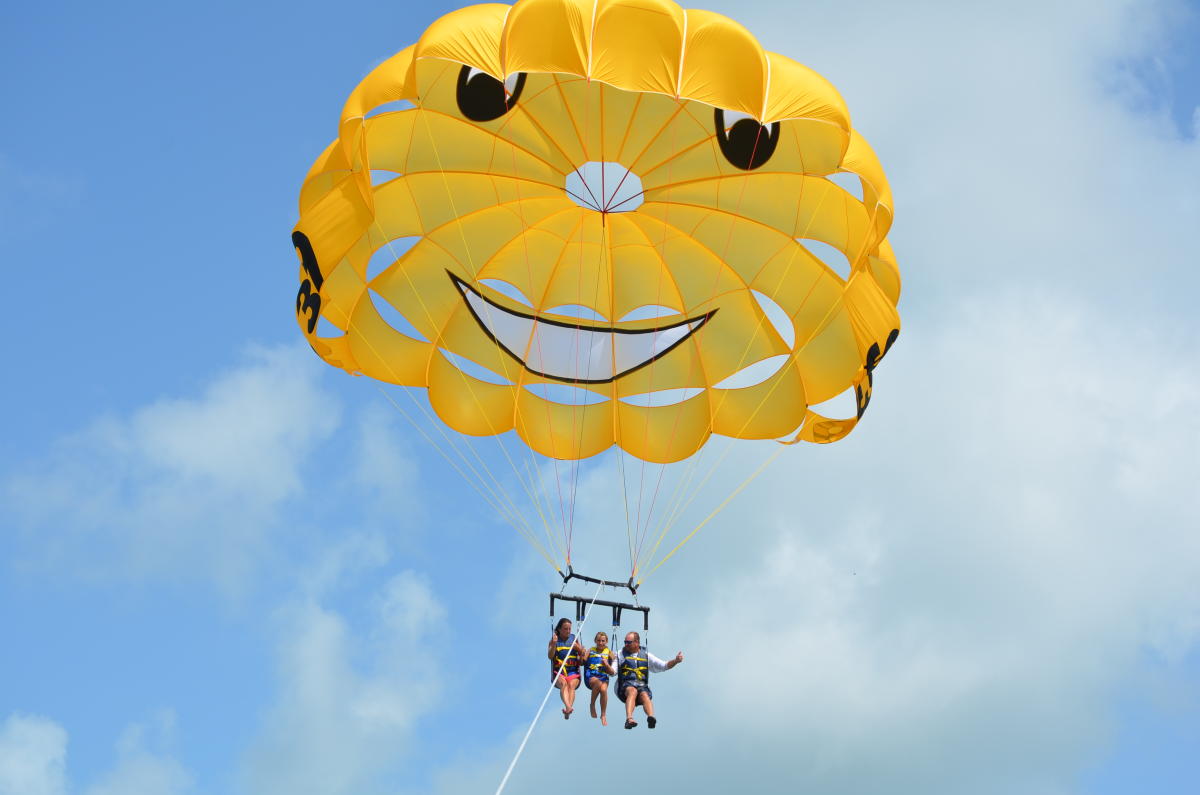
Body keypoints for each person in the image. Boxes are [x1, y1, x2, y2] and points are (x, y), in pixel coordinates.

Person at [615, 631, 683, 729]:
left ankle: (651, 717)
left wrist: (676, 661)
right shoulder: (620, 654)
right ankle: (629, 719)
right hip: (624, 687)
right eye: (625, 642)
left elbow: (664, 665)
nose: (626, 644)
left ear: (637, 642)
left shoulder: (646, 655)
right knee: (632, 691)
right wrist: (607, 664)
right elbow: (612, 671)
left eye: (629, 642)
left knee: (644, 695)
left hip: (641, 685)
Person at [548, 618, 586, 719]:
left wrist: (579, 649)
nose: (568, 631)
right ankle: (568, 707)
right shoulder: (554, 640)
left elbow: (582, 659)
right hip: (559, 672)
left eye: (569, 629)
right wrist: (554, 644)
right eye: (565, 629)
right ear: (559, 629)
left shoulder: (574, 638)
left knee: (571, 685)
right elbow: (550, 656)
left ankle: (568, 709)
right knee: (564, 684)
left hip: (573, 671)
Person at [583, 631, 617, 726]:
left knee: (603, 690)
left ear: (606, 641)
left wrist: (612, 658)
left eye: (603, 641)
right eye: (598, 640)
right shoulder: (590, 650)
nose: (600, 643)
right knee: (598, 683)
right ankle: (592, 704)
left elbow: (615, 663)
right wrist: (582, 653)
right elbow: (583, 661)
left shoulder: (609, 652)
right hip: (591, 675)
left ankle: (603, 714)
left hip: (603, 676)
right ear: (595, 641)